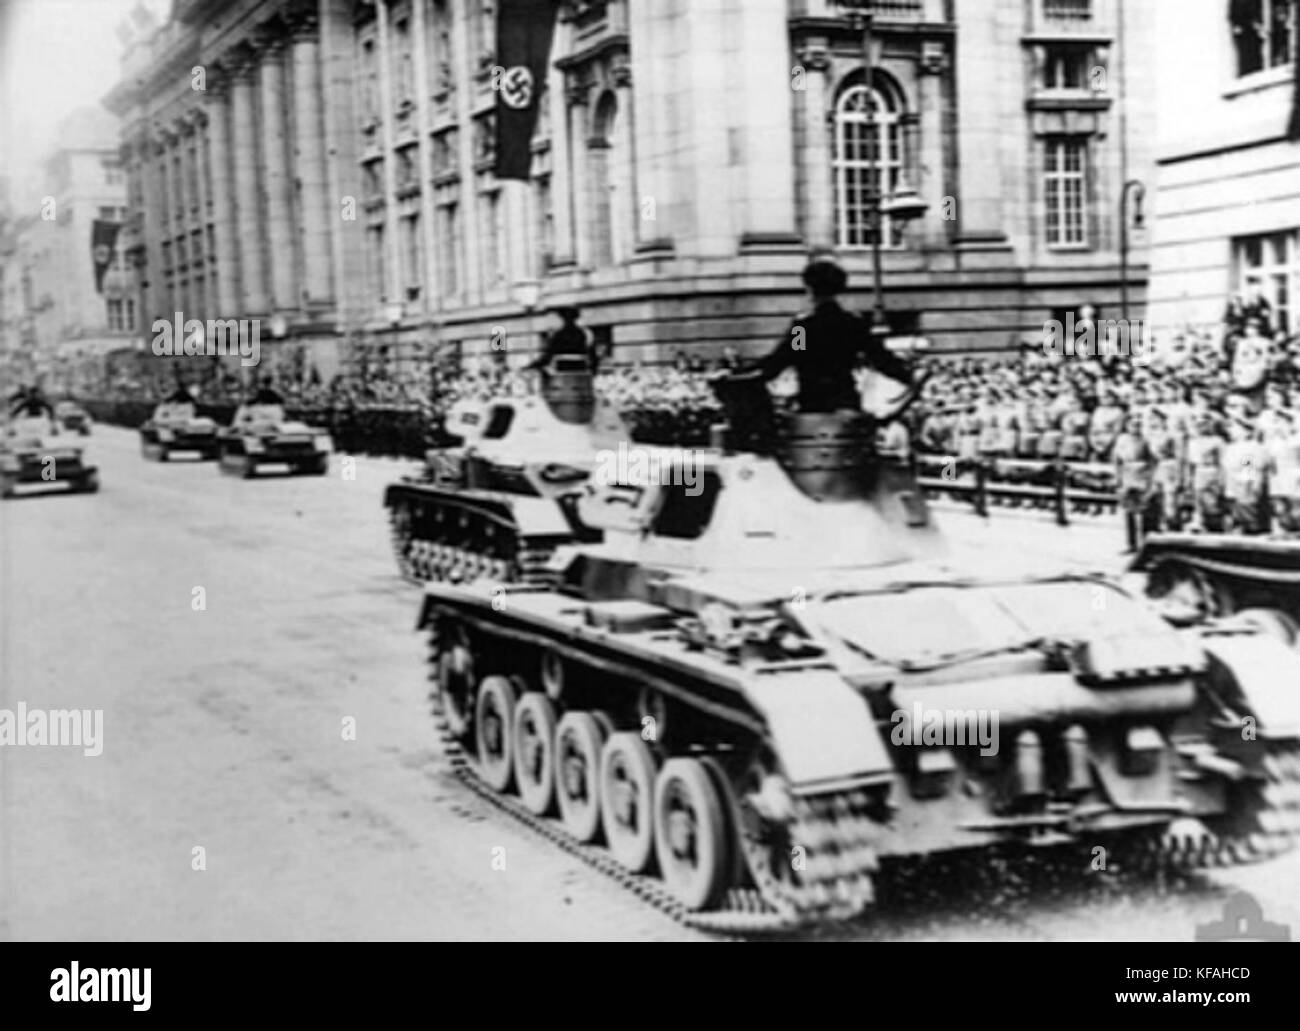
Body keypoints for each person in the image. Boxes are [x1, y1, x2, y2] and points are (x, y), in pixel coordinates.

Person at [756, 259, 912, 413]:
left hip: (812, 404)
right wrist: (907, 376)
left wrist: (748, 373)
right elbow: (880, 358)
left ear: (810, 290)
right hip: (845, 402)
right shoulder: (852, 324)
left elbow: (783, 358)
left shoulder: (802, 328)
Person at [527, 306, 594, 373]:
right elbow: (592, 356)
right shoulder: (583, 334)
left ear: (563, 318)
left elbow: (547, 357)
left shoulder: (559, 335)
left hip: (563, 375)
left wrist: (530, 366)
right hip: (581, 375)